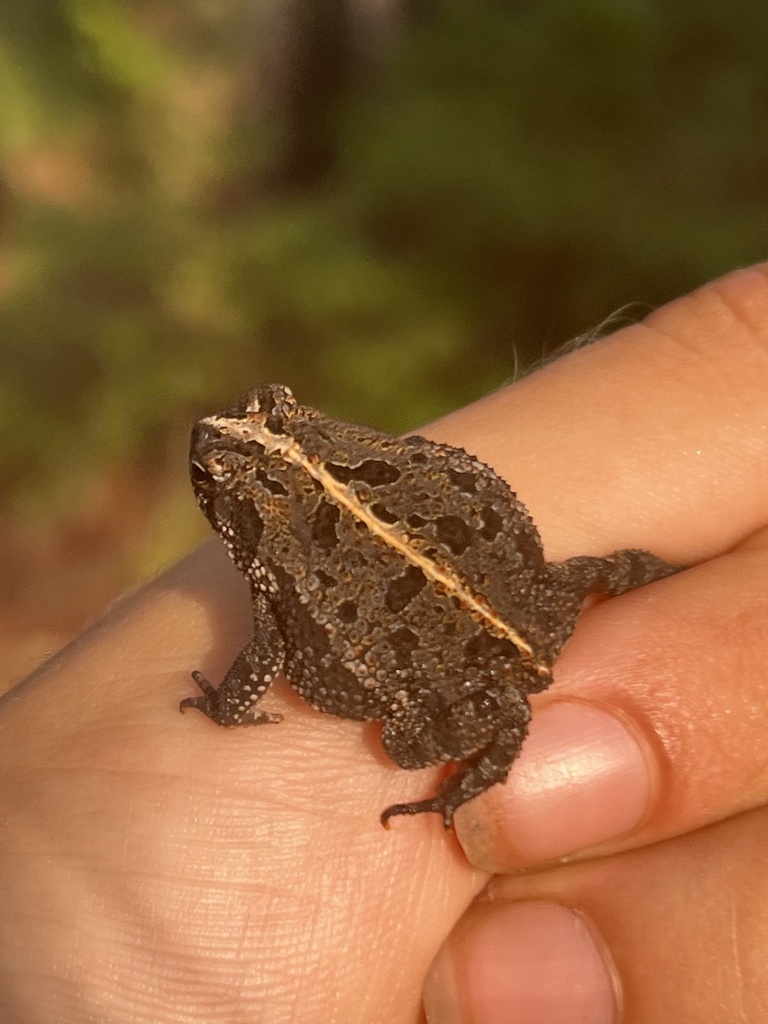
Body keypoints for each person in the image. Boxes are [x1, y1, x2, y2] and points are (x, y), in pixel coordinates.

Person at [2, 263, 767, 1024]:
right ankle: (649, 585)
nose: (216, 429)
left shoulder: (274, 561)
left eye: (260, 416)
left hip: (460, 655)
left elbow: (263, 656)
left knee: (408, 743)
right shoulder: (333, 483)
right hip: (530, 605)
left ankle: (497, 745)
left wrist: (224, 708)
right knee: (582, 585)